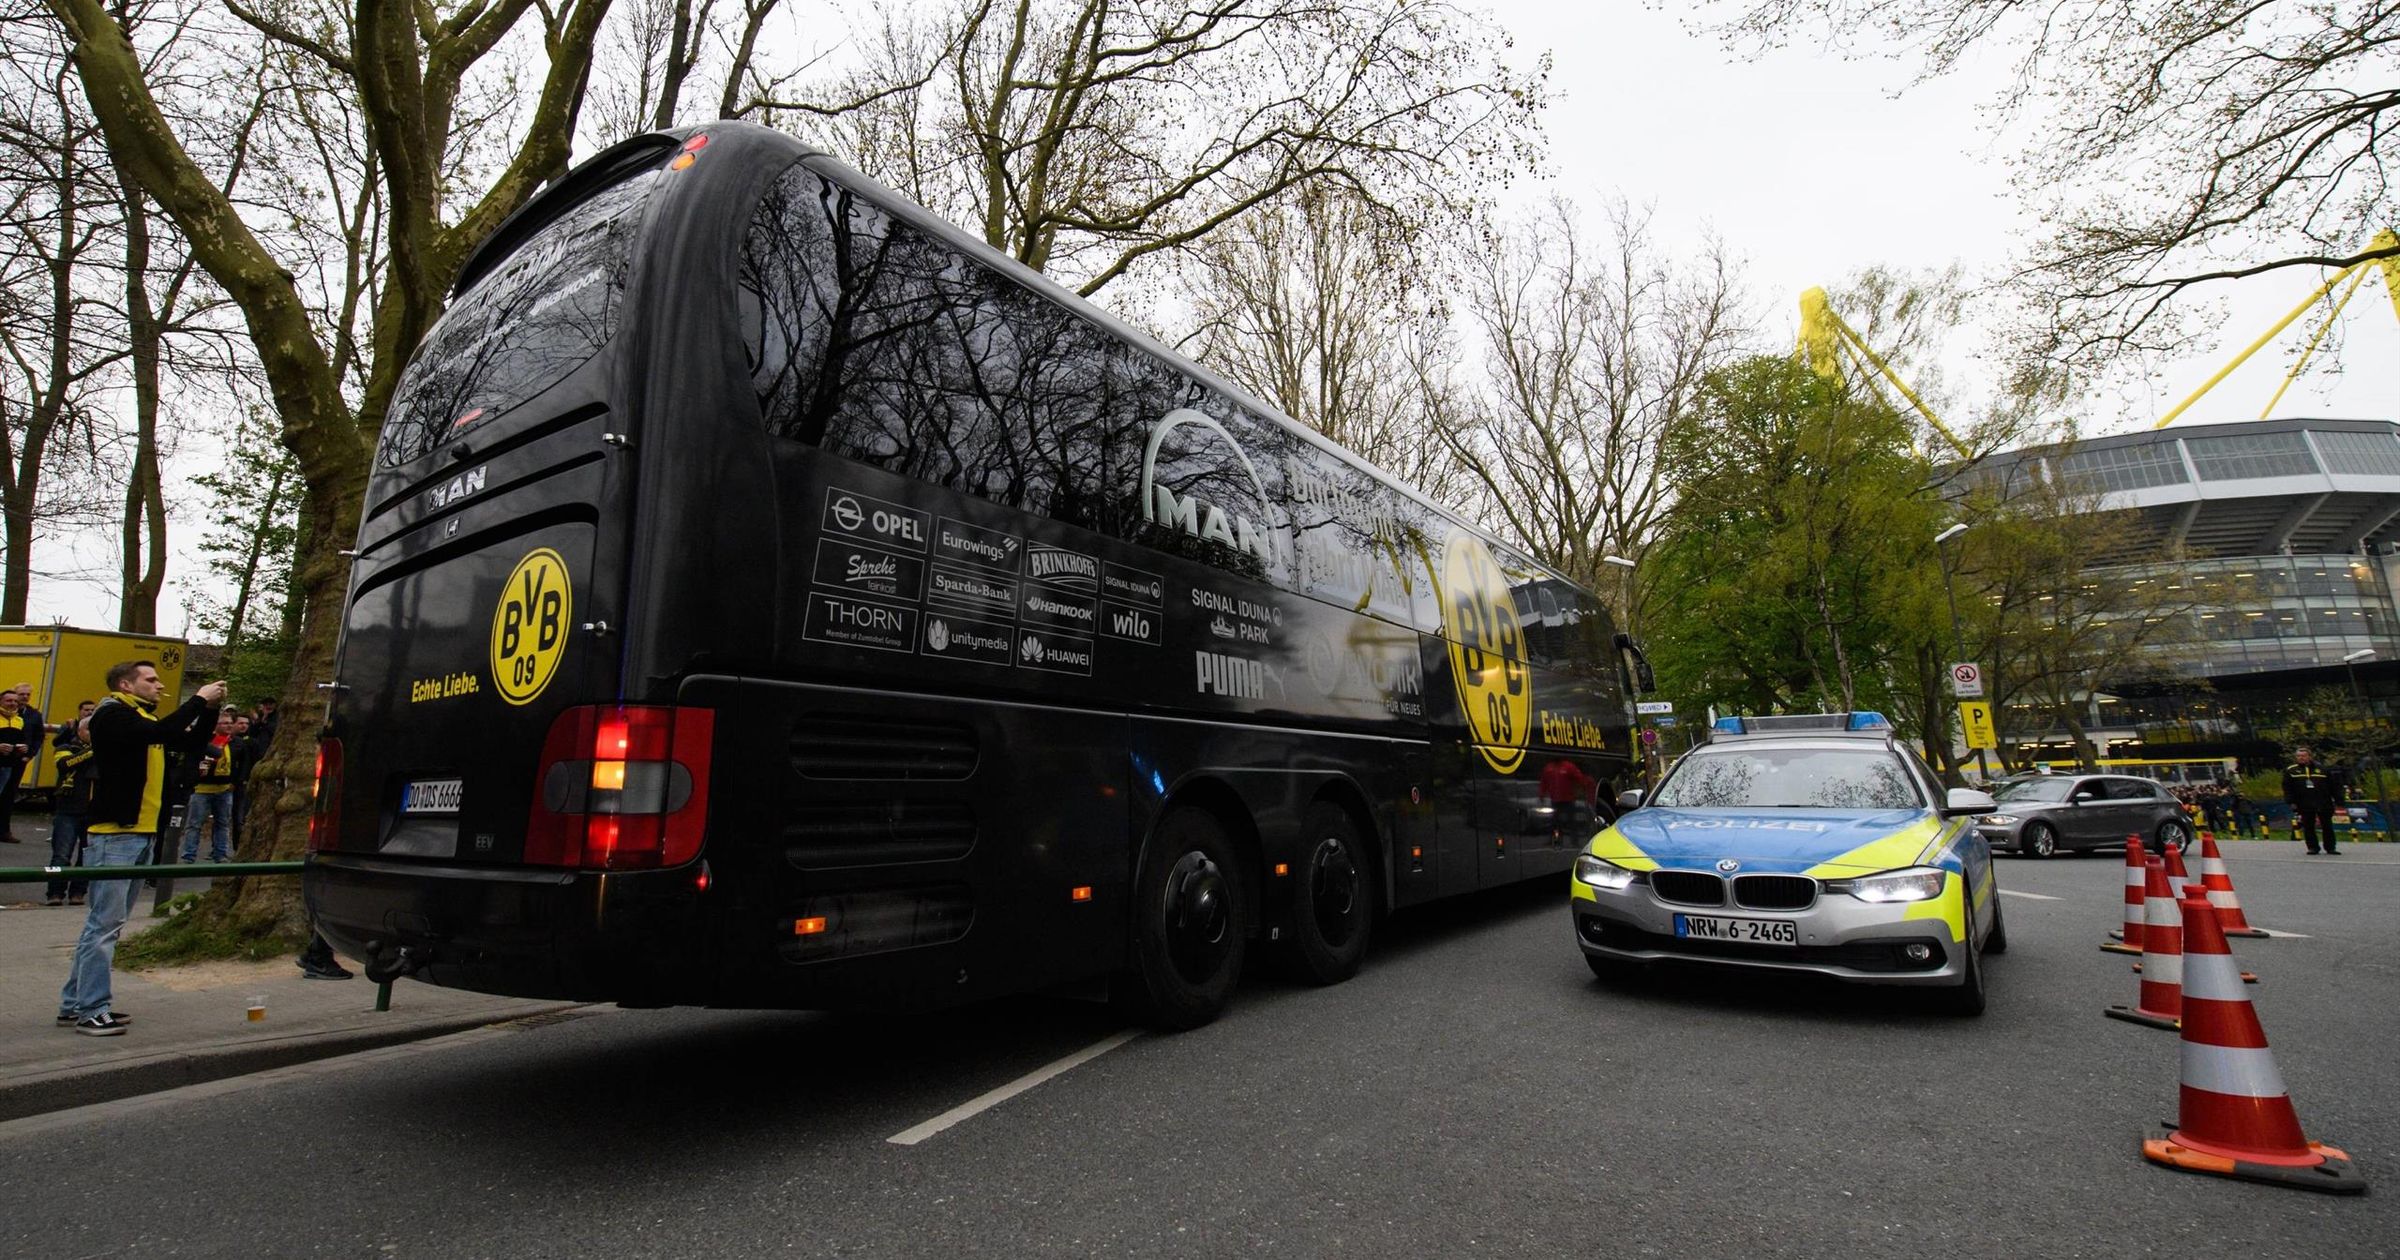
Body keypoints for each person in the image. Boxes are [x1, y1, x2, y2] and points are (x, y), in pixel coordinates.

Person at [58, 662, 225, 1035]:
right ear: (125, 684)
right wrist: (199, 699)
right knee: (103, 926)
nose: (159, 685)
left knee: (107, 925)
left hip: (141, 832)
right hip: (115, 835)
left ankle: (74, 1004)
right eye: (150, 679)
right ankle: (91, 1009)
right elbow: (164, 731)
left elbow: (189, 742)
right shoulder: (112, 714)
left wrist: (210, 711)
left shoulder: (141, 719)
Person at [178, 710, 241, 862]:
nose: (228, 726)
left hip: (225, 789)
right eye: (224, 723)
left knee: (223, 823)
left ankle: (220, 853)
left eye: (230, 723)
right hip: (202, 788)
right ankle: (189, 855)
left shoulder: (236, 742)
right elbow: (190, 761)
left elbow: (241, 764)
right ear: (216, 725)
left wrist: (235, 782)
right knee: (194, 824)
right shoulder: (205, 741)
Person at [45, 717, 95, 906]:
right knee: (61, 854)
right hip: (67, 810)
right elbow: (65, 764)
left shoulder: (105, 752)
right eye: (89, 729)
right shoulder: (65, 747)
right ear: (80, 731)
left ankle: (78, 893)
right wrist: (92, 751)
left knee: (87, 856)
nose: (92, 733)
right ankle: (54, 893)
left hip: (93, 811)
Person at [0, 683, 45, 843]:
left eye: (28, 695)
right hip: (3, 760)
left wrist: (29, 753)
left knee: (8, 796)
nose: (24, 698)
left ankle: (4, 830)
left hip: (16, 761)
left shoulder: (31, 715)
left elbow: (38, 736)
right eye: (21, 695)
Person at [2282, 744, 2339, 856]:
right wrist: (2291, 801)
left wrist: (2338, 800)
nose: (2301, 758)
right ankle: (2313, 847)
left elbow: (2333, 786)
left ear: (2310, 756)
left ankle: (2330, 847)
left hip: (2323, 802)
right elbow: (2287, 787)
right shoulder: (2291, 771)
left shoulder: (2322, 770)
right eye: (2299, 756)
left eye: (2303, 756)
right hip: (2304, 803)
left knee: (2327, 825)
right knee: (2308, 826)